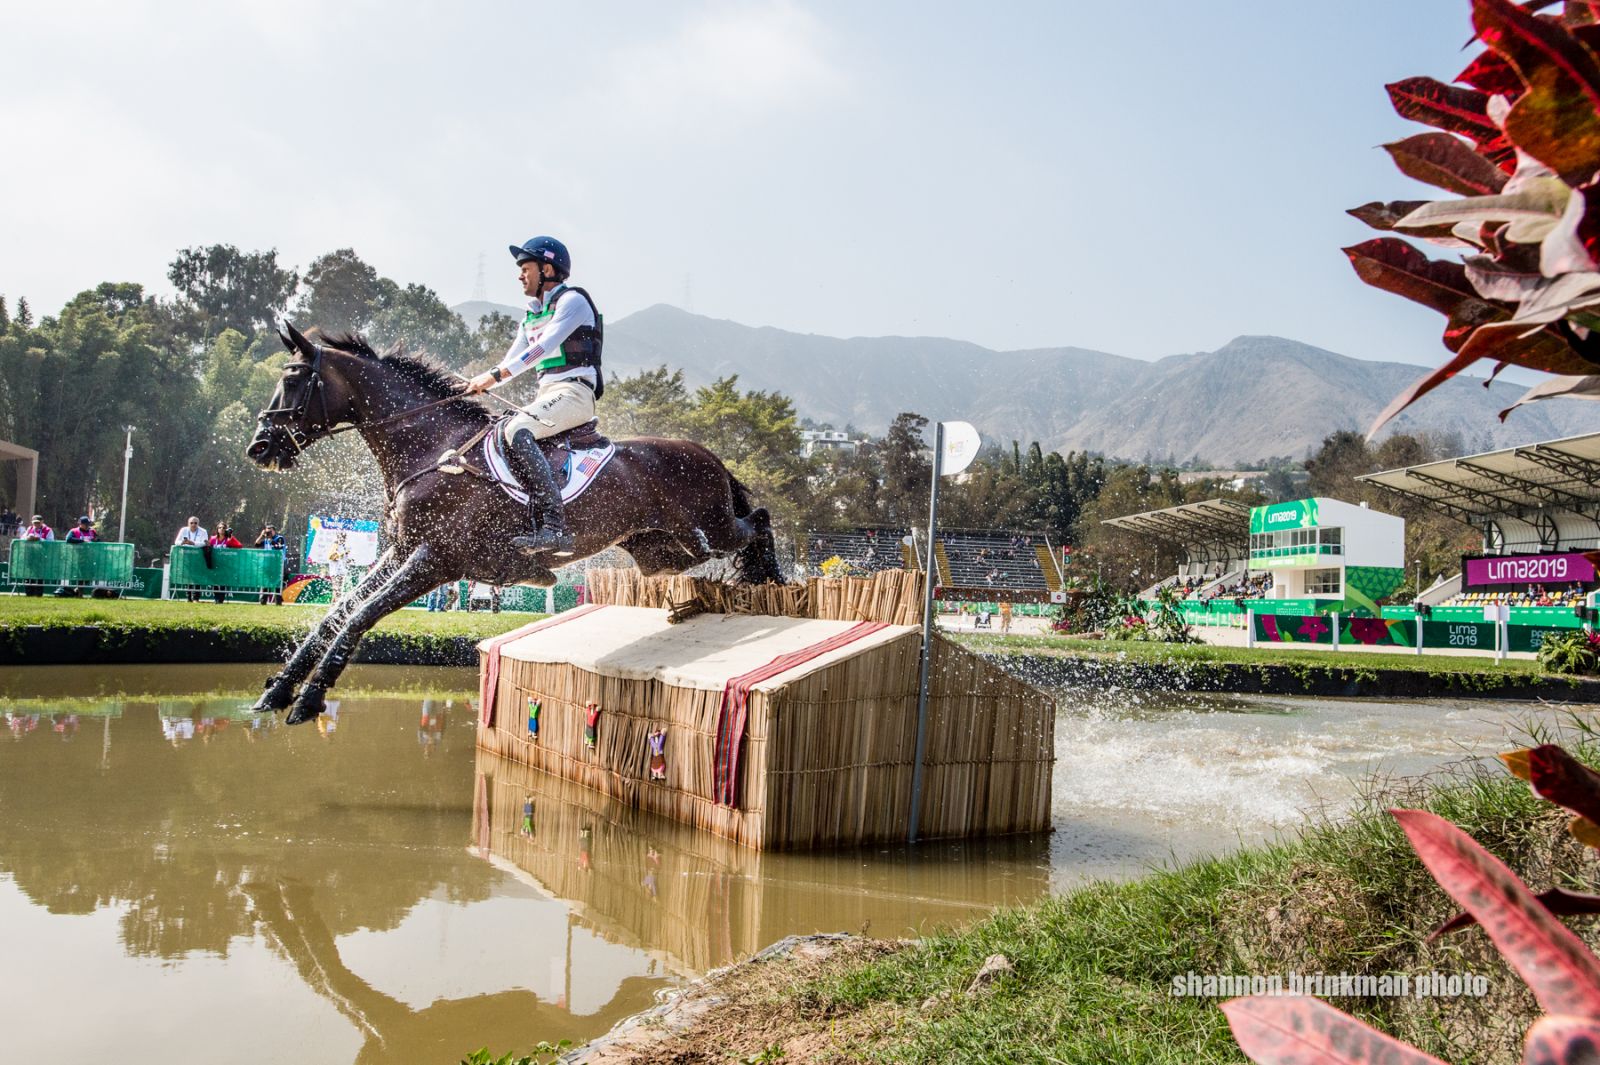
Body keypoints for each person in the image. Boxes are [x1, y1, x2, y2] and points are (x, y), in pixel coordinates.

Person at [464, 235, 603, 556]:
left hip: (575, 393)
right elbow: (509, 361)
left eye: (525, 268)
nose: (520, 275)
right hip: (548, 395)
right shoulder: (531, 316)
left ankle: (555, 527)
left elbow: (543, 348)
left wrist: (493, 377)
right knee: (498, 431)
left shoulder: (573, 301)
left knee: (518, 429)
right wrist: (475, 385)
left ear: (547, 269)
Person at [255, 525, 286, 605]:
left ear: (274, 531)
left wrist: (270, 539)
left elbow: (279, 547)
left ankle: (278, 601)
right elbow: (256, 544)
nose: (268, 532)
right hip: (267, 564)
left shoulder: (279, 538)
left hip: (277, 564)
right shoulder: (266, 540)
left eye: (270, 530)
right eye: (267, 530)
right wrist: (261, 535)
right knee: (265, 582)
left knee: (277, 583)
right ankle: (263, 601)